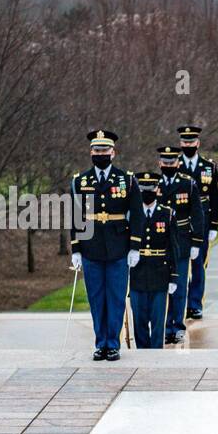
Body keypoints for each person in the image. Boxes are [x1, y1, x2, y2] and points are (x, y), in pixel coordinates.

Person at [70, 130, 141, 361]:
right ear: (91, 152)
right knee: (97, 298)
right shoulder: (81, 181)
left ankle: (113, 343)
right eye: (96, 150)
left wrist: (134, 247)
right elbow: (76, 216)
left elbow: (137, 215)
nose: (100, 154)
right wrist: (76, 249)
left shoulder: (127, 180)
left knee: (116, 297)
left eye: (104, 150)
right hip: (91, 248)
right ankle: (100, 343)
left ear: (113, 152)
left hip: (118, 248)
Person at [155, 146, 205, 344]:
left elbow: (197, 214)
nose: (168, 165)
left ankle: (177, 326)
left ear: (178, 163)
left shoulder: (188, 184)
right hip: (159, 242)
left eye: (172, 162)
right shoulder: (153, 184)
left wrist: (196, 242)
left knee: (180, 287)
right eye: (165, 162)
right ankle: (164, 327)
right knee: (161, 288)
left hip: (181, 241)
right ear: (160, 163)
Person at [126, 172, 179, 349]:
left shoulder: (167, 214)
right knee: (139, 319)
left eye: (151, 188)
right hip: (138, 272)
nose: (147, 192)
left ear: (157, 189)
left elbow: (173, 247)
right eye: (143, 189)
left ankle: (157, 354)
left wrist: (173, 276)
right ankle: (142, 353)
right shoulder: (131, 214)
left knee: (158, 321)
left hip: (160, 273)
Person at [177, 125, 218, 321]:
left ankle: (195, 305)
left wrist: (214, 225)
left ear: (198, 143)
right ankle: (180, 303)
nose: (188, 145)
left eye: (191, 142)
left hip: (201, 221)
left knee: (198, 264)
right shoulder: (173, 165)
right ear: (180, 143)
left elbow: (215, 197)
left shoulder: (209, 167)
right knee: (178, 263)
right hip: (179, 222)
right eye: (185, 142)